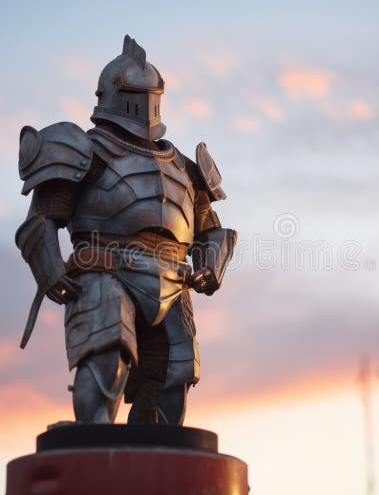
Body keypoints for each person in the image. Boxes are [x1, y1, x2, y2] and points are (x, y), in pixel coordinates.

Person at [15, 35, 236, 425]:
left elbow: (211, 232)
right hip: (104, 271)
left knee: (174, 376)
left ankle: (160, 466)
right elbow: (42, 219)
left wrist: (211, 264)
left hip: (174, 282)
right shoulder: (86, 149)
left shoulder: (183, 165)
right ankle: (94, 446)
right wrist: (50, 268)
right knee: (106, 355)